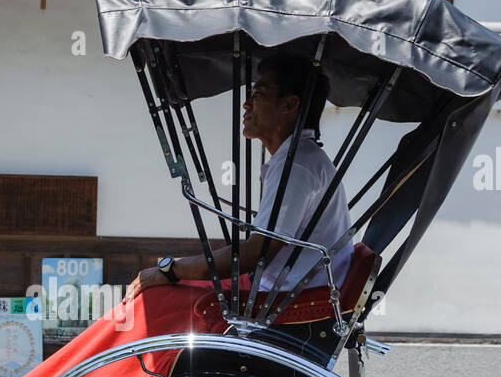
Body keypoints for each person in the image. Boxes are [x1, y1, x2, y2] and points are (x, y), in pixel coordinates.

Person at [125, 53, 353, 304]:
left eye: (258, 95)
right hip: (282, 290)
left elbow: (256, 253)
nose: (246, 105)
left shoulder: (297, 166)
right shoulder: (300, 158)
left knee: (157, 297)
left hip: (290, 303)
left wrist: (171, 269)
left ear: (289, 105)